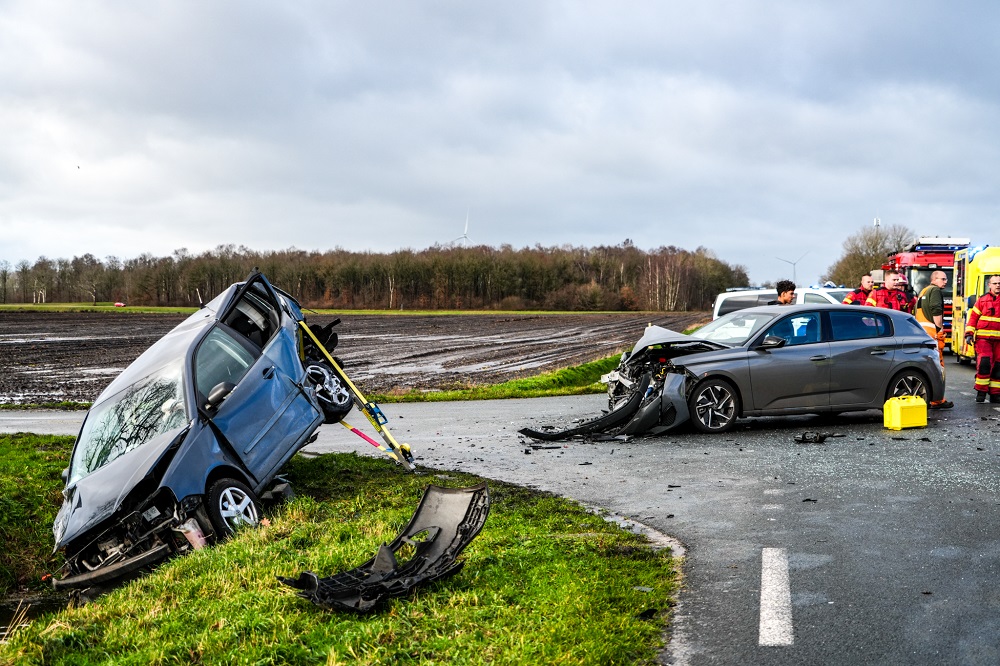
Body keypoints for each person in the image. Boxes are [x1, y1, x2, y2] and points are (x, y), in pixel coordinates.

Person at [915, 270, 953, 409]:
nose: (945, 281)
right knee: (938, 368)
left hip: (922, 334)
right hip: (932, 334)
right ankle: (937, 400)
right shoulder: (935, 291)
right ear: (934, 279)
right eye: (942, 279)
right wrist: (939, 330)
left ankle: (925, 396)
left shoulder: (923, 291)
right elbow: (936, 310)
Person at [965, 275, 1000, 403]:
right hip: (983, 340)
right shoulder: (982, 300)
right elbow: (973, 318)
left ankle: (995, 394)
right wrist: (969, 333)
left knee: (998, 367)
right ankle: (981, 391)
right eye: (995, 283)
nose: (998, 285)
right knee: (984, 364)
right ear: (989, 285)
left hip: (999, 342)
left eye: (999, 283)